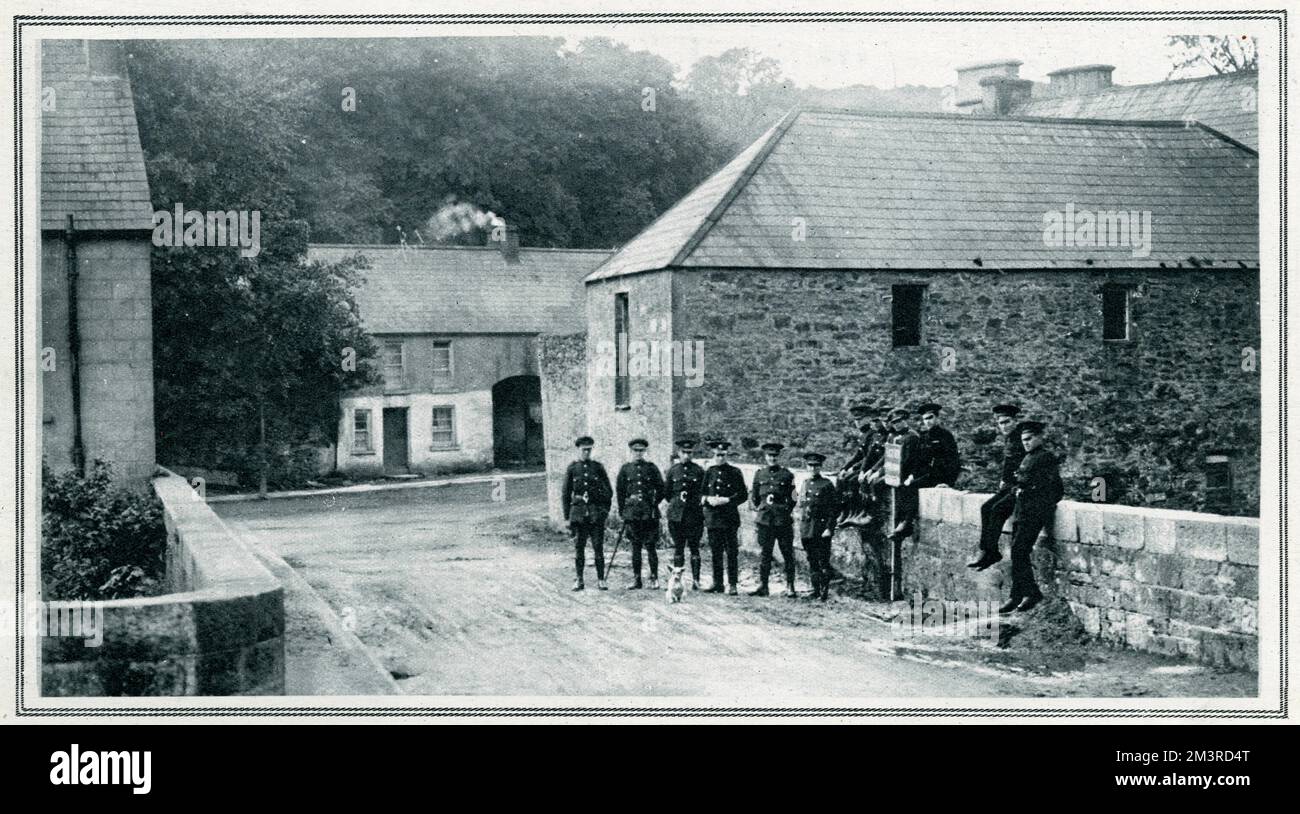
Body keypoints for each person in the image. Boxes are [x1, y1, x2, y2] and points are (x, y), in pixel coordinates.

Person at [1001, 420, 1065, 614]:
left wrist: (1028, 492)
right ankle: (1016, 595)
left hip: (1035, 512)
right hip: (1022, 511)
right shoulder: (1027, 458)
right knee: (1015, 551)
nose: (1026, 443)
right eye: (1023, 440)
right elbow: (1020, 482)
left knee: (1020, 550)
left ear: (1039, 438)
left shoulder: (1046, 458)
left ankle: (1031, 592)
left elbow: (1054, 489)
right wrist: (1017, 489)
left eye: (1029, 439)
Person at [969, 404, 1026, 571]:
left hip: (1019, 488)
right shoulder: (1010, 439)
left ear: (1015, 421)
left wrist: (1012, 482)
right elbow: (1008, 463)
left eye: (1007, 422)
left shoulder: (1022, 439)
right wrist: (1003, 479)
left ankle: (991, 551)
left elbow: (1023, 466)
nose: (1004, 426)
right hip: (1009, 486)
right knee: (986, 507)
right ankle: (987, 550)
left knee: (997, 510)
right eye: (1001, 423)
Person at [561, 436, 613, 591]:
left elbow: (608, 492)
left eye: (589, 450)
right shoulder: (572, 468)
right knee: (579, 547)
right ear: (578, 450)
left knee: (598, 547)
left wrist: (604, 511)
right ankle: (579, 579)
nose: (586, 452)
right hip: (578, 515)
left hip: (596, 514)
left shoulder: (598, 467)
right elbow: (565, 494)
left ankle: (601, 579)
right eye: (584, 450)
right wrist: (567, 517)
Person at [750, 441, 798, 597]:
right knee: (765, 554)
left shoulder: (787, 474)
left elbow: (794, 497)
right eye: (769, 456)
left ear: (779, 457)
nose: (772, 458)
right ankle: (764, 586)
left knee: (787, 553)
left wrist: (784, 511)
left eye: (775, 456)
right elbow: (756, 498)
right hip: (765, 521)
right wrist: (762, 510)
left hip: (782, 521)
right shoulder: (759, 474)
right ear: (765, 457)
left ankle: (790, 586)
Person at [616, 438, 665, 590]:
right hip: (632, 513)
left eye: (641, 451)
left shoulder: (651, 468)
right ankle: (637, 579)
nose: (638, 453)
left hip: (649, 513)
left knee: (650, 546)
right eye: (635, 450)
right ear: (631, 451)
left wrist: (653, 502)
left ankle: (654, 578)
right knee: (635, 547)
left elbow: (662, 488)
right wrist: (623, 511)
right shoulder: (625, 469)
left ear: (645, 452)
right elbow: (620, 491)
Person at [701, 440, 747, 595]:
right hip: (713, 518)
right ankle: (718, 583)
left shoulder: (735, 472)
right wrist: (708, 499)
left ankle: (733, 584)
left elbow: (743, 495)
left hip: (729, 519)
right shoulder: (710, 471)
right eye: (717, 455)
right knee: (715, 552)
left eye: (722, 455)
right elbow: (701, 493)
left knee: (732, 552)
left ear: (727, 455)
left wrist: (727, 500)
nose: (720, 458)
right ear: (713, 455)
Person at [872, 407, 924, 544]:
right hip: (893, 471)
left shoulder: (912, 437)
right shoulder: (892, 436)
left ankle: (906, 523)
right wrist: (879, 472)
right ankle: (876, 516)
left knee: (904, 489)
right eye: (894, 422)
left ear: (905, 420)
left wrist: (910, 476)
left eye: (899, 421)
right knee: (876, 484)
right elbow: (888, 457)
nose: (897, 424)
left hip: (909, 472)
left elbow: (912, 460)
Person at [663, 437, 706, 589]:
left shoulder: (699, 471)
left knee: (695, 548)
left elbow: (703, 491)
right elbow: (667, 493)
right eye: (684, 452)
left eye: (689, 452)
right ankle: (678, 581)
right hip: (676, 516)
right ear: (678, 453)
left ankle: (696, 580)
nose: (687, 455)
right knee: (678, 548)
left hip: (694, 515)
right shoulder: (673, 471)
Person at [799, 452, 840, 601]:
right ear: (806, 466)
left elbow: (834, 509)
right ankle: (815, 590)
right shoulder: (804, 483)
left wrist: (829, 528)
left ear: (820, 467)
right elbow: (800, 503)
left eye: (816, 465)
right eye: (810, 465)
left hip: (821, 528)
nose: (813, 468)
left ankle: (824, 591)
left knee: (823, 560)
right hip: (807, 527)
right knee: (811, 559)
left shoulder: (827, 484)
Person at [913, 401, 961, 488]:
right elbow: (918, 459)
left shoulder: (945, 436)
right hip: (925, 477)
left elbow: (953, 461)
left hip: (940, 479)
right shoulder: (924, 437)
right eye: (925, 419)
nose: (927, 422)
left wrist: (948, 482)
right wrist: (912, 475)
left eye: (930, 418)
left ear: (937, 417)